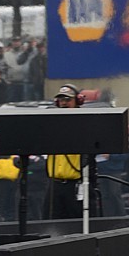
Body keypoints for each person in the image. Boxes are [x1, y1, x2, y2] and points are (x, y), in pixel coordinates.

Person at [44, 84, 84, 219]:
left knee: (75, 221)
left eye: (68, 100)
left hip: (75, 185)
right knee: (51, 220)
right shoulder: (51, 123)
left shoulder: (84, 122)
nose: (64, 103)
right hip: (54, 184)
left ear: (78, 101)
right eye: (61, 100)